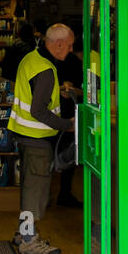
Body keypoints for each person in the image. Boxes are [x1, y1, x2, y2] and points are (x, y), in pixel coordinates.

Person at [7, 22, 75, 254]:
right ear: (58, 44)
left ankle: (22, 233)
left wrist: (59, 92)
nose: (71, 50)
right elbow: (39, 110)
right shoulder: (45, 69)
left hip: (24, 135)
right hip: (37, 137)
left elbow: (34, 95)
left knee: (29, 189)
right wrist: (67, 125)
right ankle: (28, 240)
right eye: (69, 45)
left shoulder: (32, 58)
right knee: (35, 193)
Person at [46, 30, 85, 208]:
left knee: (60, 154)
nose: (69, 49)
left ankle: (54, 195)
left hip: (58, 114)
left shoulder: (66, 62)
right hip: (59, 114)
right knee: (61, 154)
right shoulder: (47, 61)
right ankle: (58, 194)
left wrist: (70, 90)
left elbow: (82, 90)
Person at [1, 21, 38, 85]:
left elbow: (5, 67)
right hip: (23, 83)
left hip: (11, 81)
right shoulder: (30, 50)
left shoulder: (13, 46)